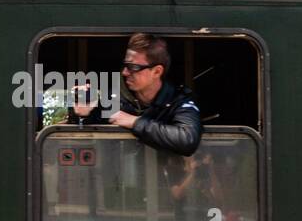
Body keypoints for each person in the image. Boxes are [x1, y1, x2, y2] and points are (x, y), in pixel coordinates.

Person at [69, 33, 202, 156]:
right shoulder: (112, 99)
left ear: (156, 72)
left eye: (133, 67)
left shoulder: (178, 100)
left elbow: (187, 139)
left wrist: (134, 122)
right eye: (125, 65)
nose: (125, 72)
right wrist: (82, 113)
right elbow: (82, 137)